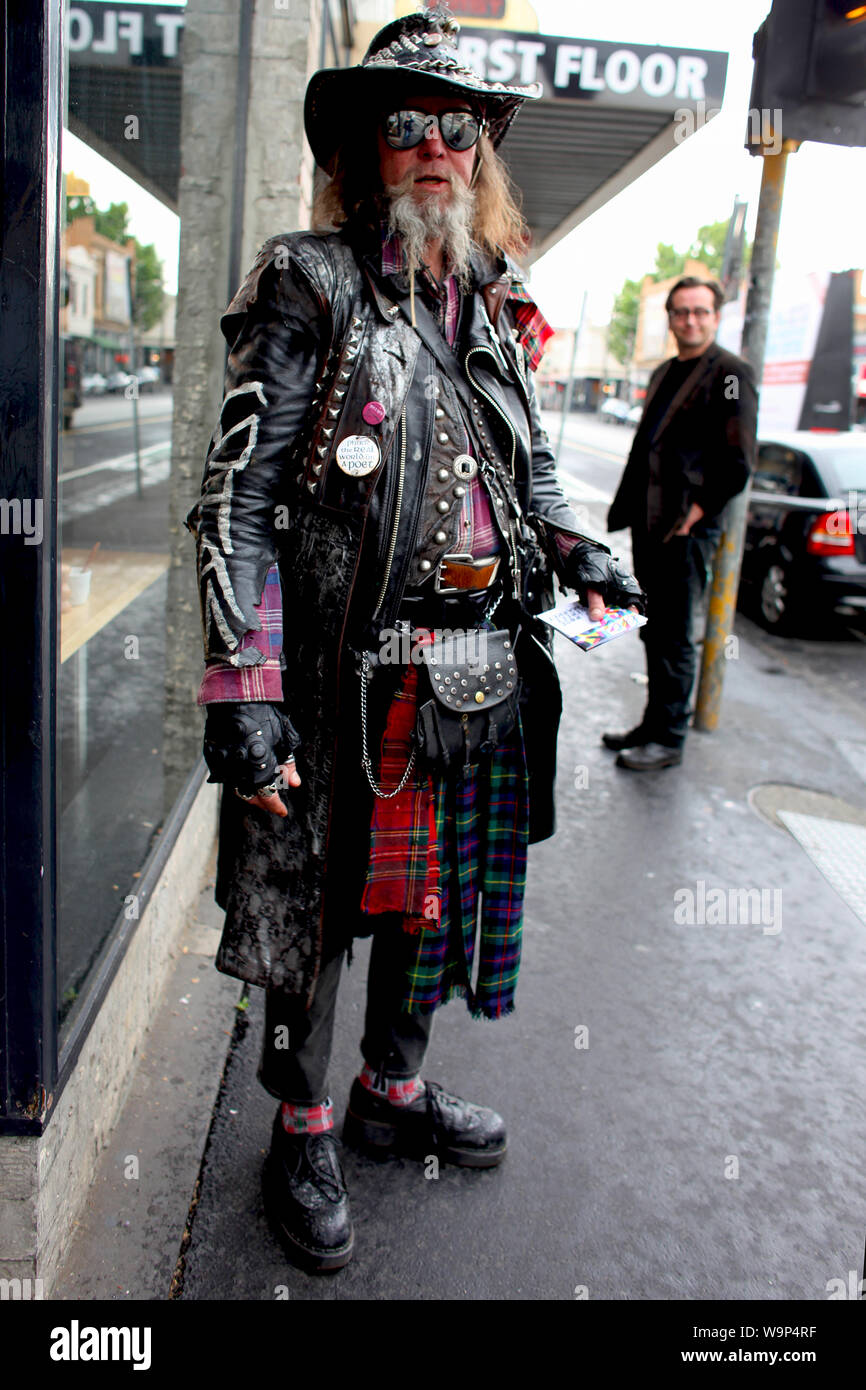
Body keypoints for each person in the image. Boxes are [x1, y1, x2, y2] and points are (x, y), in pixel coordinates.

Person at [187, 5, 642, 1273]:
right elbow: (239, 497)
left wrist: (576, 547)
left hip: (471, 673)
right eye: (409, 126)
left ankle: (390, 1092)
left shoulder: (488, 303)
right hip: (340, 680)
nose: (438, 146)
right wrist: (244, 683)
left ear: (477, 158)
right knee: (318, 907)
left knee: (428, 907)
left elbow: (532, 469)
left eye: (459, 128)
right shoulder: (306, 280)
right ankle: (302, 1122)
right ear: (365, 153)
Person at [605, 276, 757, 771]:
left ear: (715, 317)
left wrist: (696, 514)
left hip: (685, 529)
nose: (690, 320)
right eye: (681, 312)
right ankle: (652, 724)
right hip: (650, 524)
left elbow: (738, 462)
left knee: (674, 635)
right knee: (653, 627)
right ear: (670, 318)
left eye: (700, 311)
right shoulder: (667, 370)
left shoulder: (731, 372)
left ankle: (669, 738)